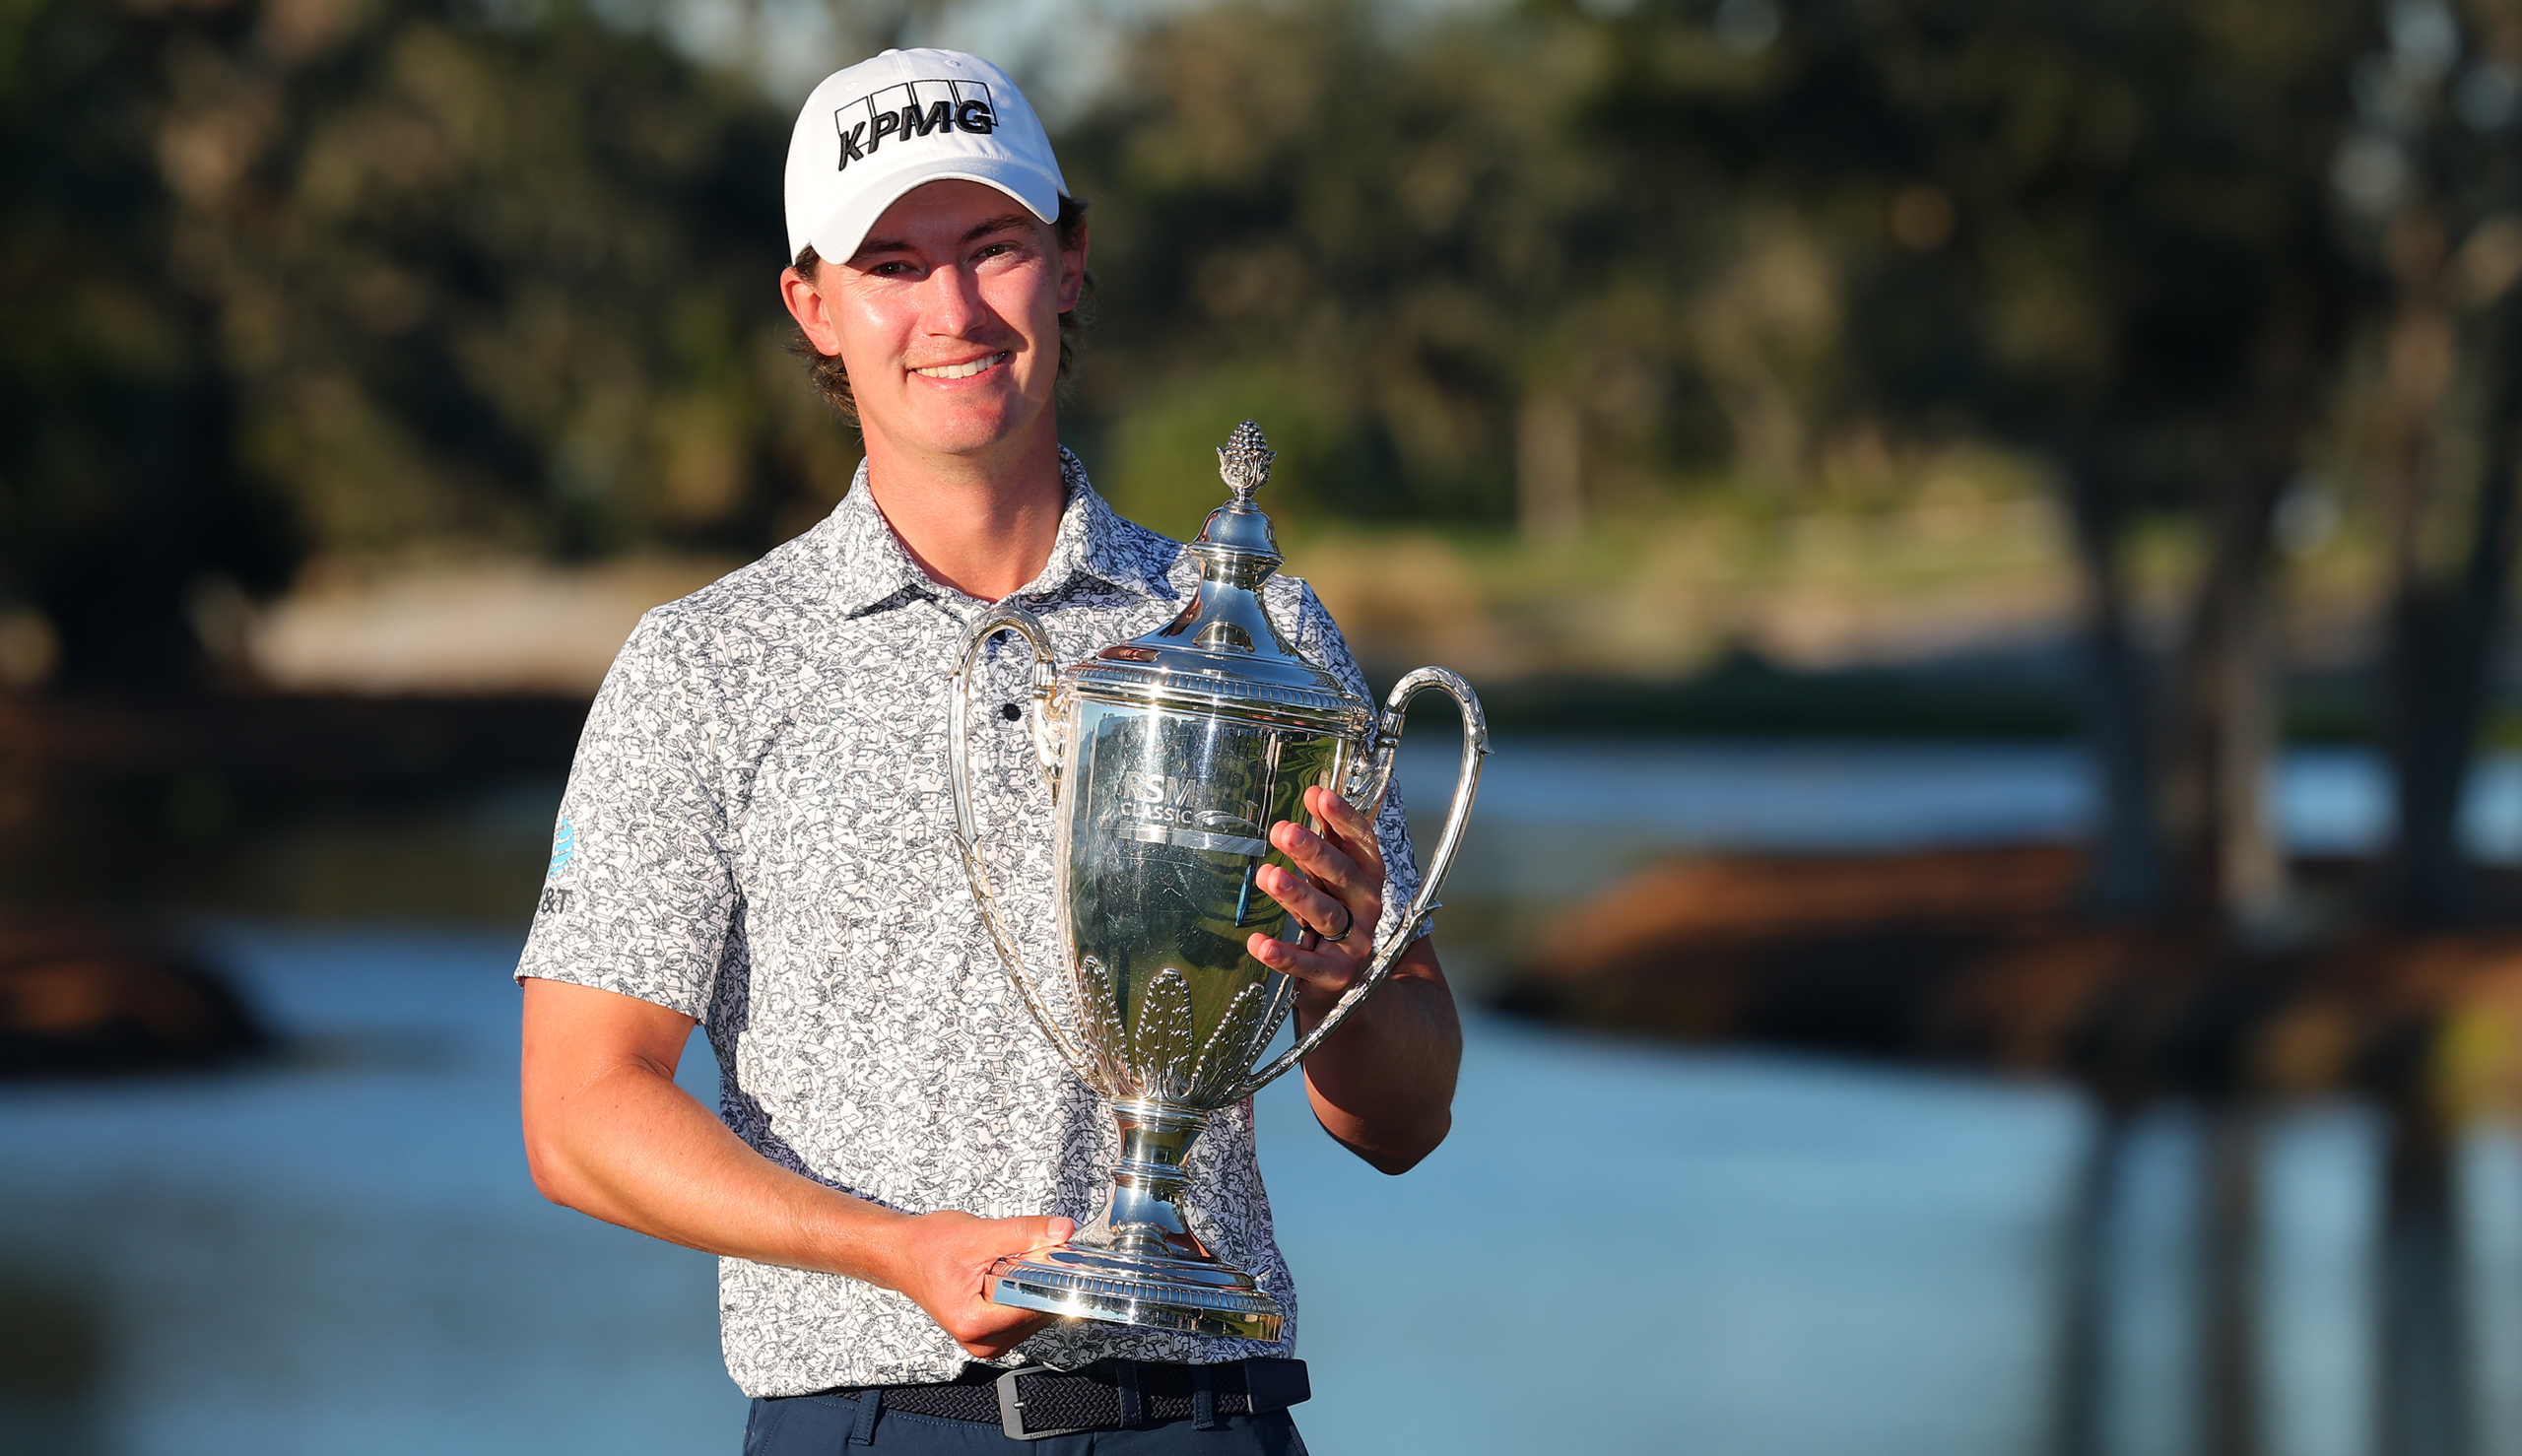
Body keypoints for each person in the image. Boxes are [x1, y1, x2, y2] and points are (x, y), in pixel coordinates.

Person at [514, 47, 1461, 1454]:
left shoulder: (1253, 632)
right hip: (876, 1424)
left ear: (1069, 263)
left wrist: (1349, 982)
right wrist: (894, 1249)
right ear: (814, 306)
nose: (952, 310)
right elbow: (580, 1110)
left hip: (1202, 1419)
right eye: (892, 265)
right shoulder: (705, 663)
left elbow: (1404, 1120)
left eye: (993, 246)